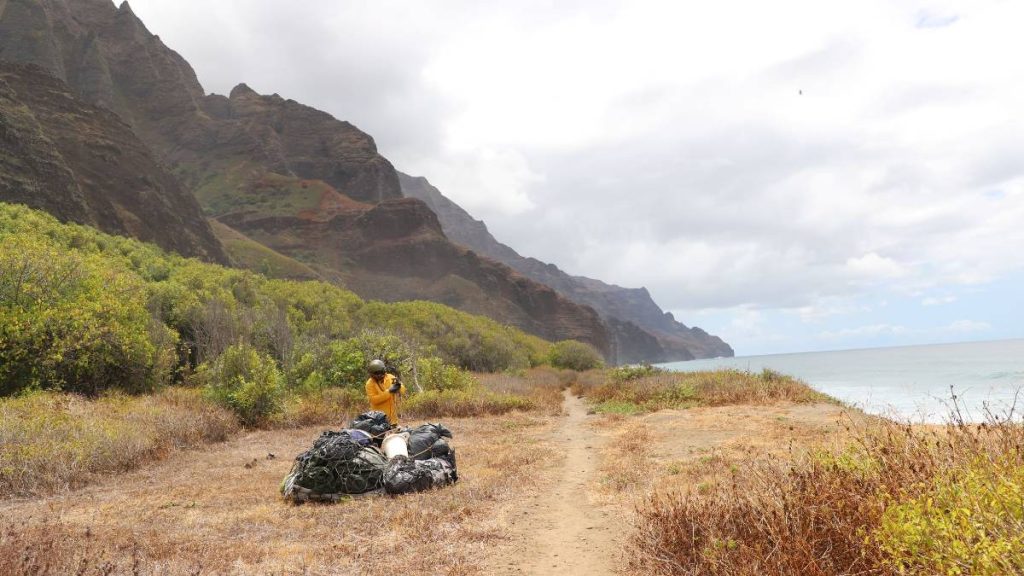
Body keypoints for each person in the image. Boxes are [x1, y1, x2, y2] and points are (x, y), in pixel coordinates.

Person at [365, 359, 405, 425]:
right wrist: (389, 391)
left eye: (380, 373)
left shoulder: (390, 377)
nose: (379, 375)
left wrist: (399, 387)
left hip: (393, 420)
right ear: (372, 374)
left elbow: (402, 391)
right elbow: (374, 400)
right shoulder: (369, 384)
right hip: (379, 421)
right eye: (376, 374)